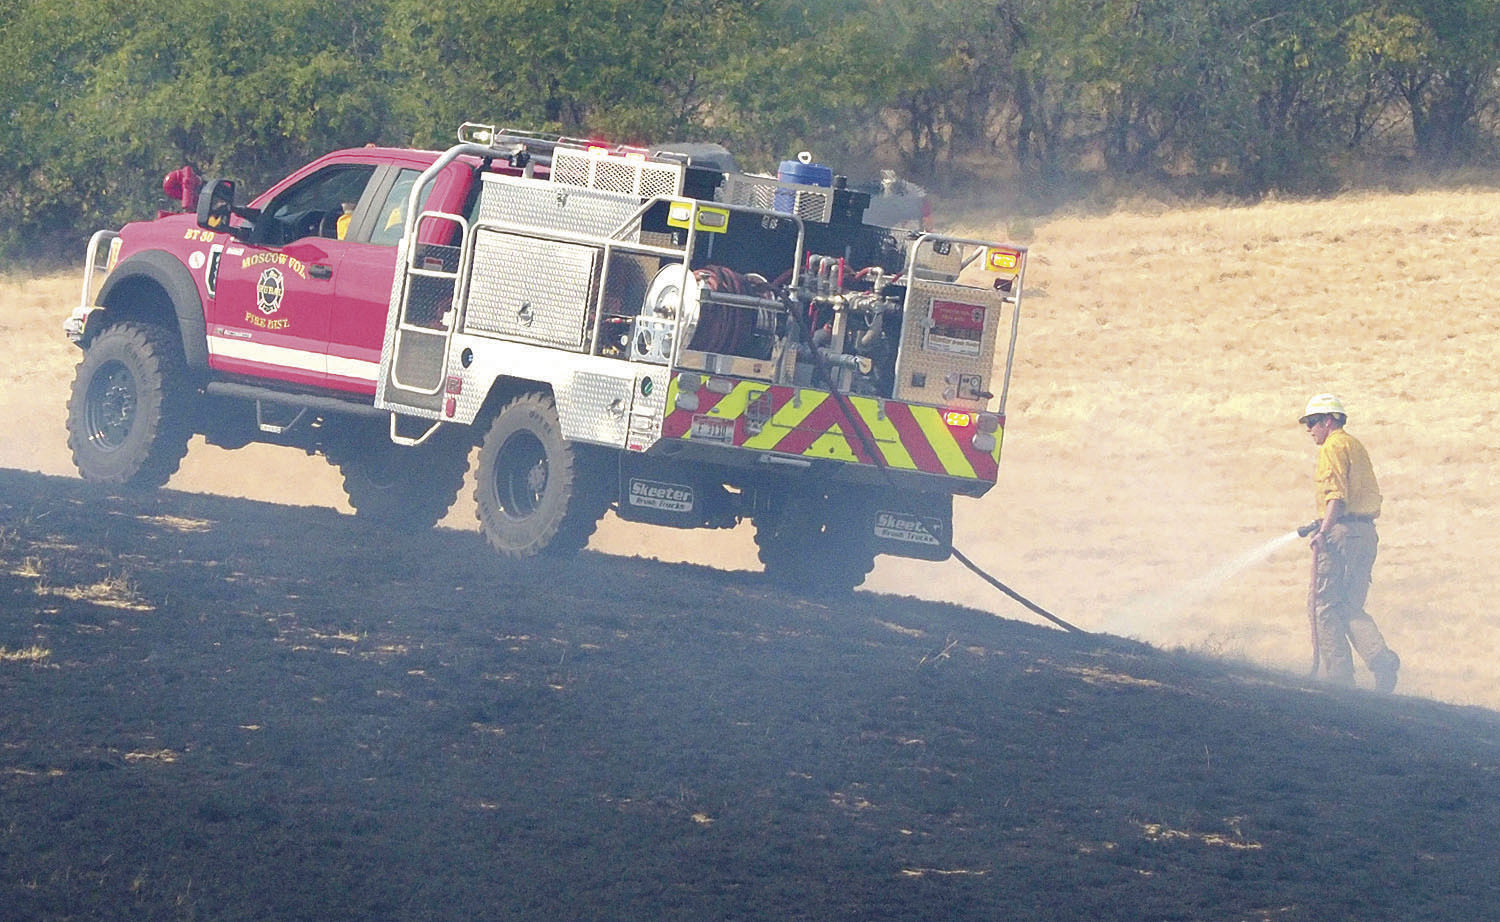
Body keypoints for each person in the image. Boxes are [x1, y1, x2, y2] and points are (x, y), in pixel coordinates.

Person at [1300, 393, 1400, 692]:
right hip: (1365, 534)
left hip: (1341, 534)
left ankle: (1339, 679)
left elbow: (1337, 497)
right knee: (1349, 605)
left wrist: (1323, 531)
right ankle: (1381, 659)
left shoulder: (1332, 447)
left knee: (1322, 606)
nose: (1309, 429)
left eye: (1313, 422)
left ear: (1329, 421)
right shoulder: (1354, 445)